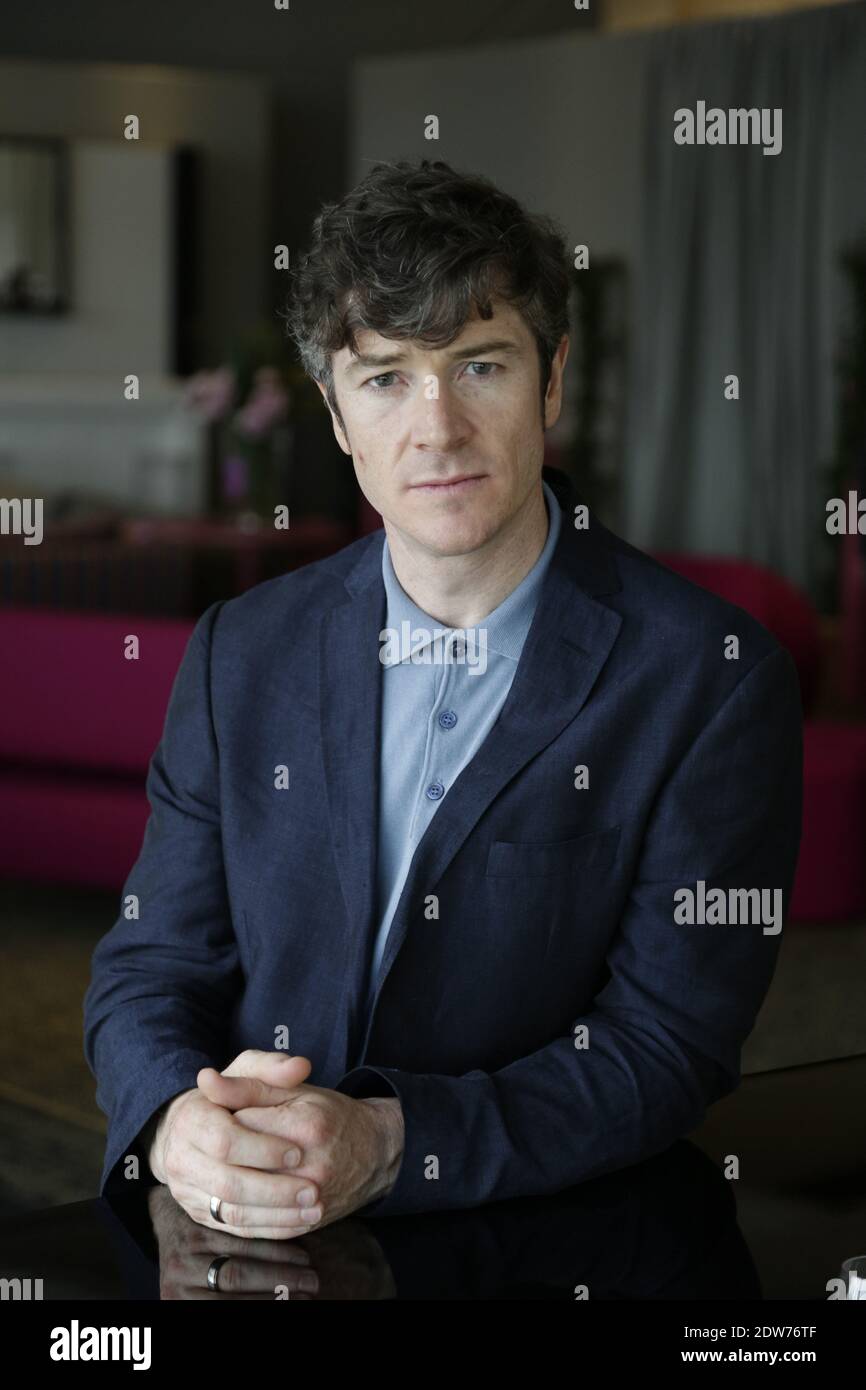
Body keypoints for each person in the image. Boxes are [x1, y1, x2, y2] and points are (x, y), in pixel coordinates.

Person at [84, 158, 803, 1241]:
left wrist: (388, 1139)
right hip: (242, 1244)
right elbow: (152, 961)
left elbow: (666, 1046)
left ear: (551, 380)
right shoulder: (244, 650)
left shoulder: (709, 679)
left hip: (540, 1251)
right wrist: (172, 1119)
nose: (436, 429)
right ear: (334, 413)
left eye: (478, 366)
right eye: (383, 378)